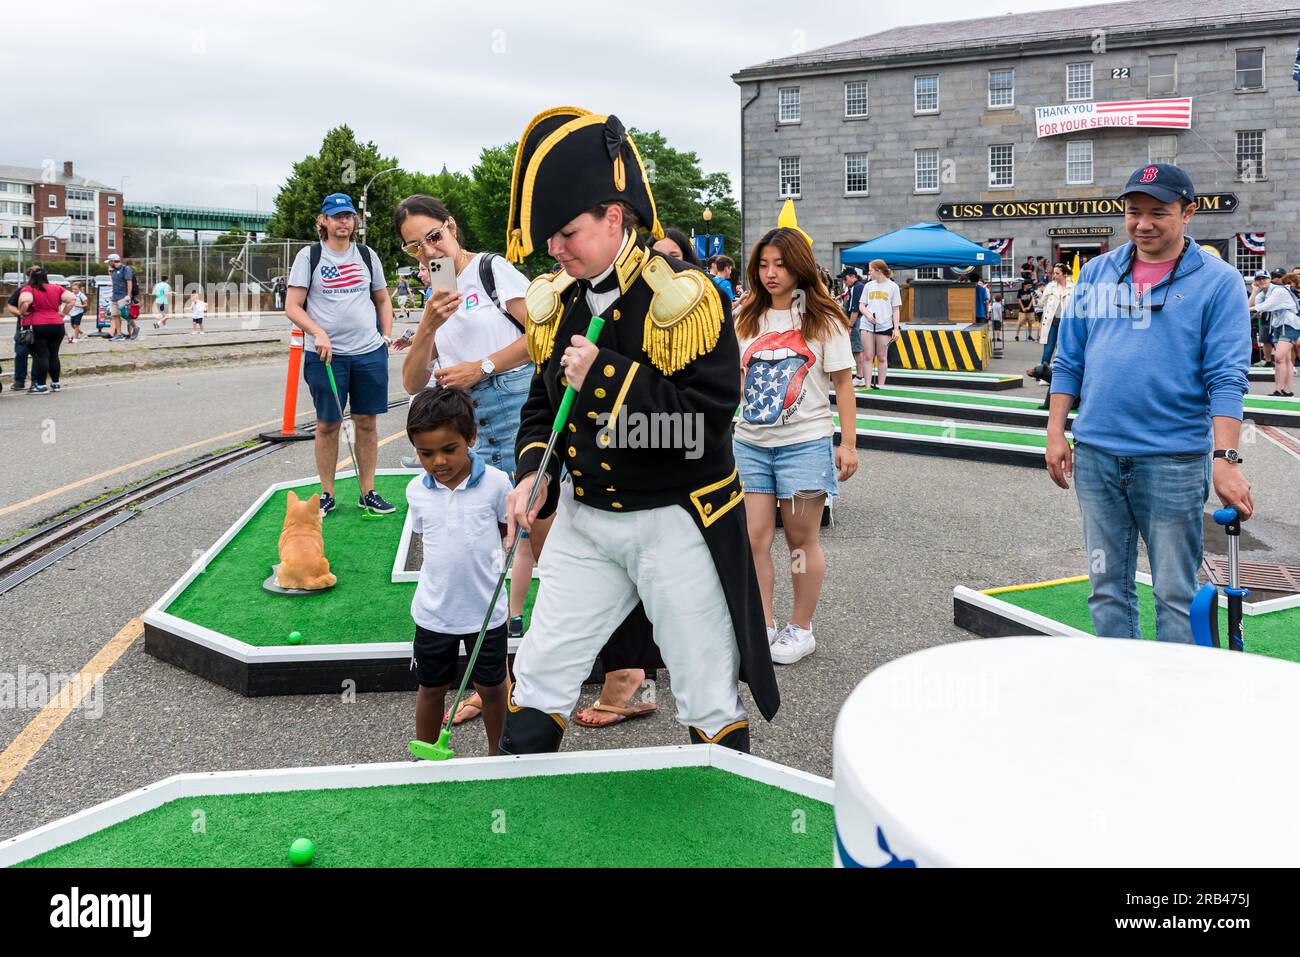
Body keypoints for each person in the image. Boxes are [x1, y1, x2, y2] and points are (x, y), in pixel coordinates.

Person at [497, 106, 778, 754]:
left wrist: (608, 377)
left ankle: (719, 837)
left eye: (568, 232)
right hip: (587, 520)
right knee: (539, 675)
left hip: (673, 520)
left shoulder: (682, 298)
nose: (555, 249)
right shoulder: (558, 301)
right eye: (552, 237)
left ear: (614, 217)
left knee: (706, 689)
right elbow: (542, 412)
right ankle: (510, 824)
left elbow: (702, 432)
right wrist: (534, 474)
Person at [1046, 162, 1253, 645]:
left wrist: (1224, 459)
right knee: (1105, 587)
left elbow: (1226, 377)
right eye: (1134, 212)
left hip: (1172, 460)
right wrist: (1056, 431)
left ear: (1188, 213)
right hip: (1096, 456)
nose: (1143, 223)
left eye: (1158, 212)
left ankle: (1174, 701)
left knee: (1175, 592)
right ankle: (1123, 693)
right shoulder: (1098, 272)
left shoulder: (1217, 282)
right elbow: (1069, 359)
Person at [394, 193, 538, 724]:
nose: (428, 249)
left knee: (539, 531)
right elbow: (411, 383)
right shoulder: (431, 293)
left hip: (514, 405)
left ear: (451, 226)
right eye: (415, 246)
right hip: (466, 429)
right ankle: (496, 679)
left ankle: (601, 668)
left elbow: (539, 338)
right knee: (495, 543)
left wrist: (480, 364)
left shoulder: (491, 269)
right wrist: (428, 325)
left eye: (434, 235)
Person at [735, 217, 859, 665]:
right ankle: (763, 622)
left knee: (800, 540)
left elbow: (844, 383)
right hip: (750, 442)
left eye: (781, 265)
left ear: (799, 268)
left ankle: (800, 627)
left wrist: (848, 442)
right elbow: (736, 377)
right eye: (765, 264)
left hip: (804, 441)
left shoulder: (822, 318)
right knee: (753, 538)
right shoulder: (745, 316)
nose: (771, 273)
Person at [405, 386, 511, 756]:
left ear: (471, 438)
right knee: (431, 687)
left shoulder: (497, 483)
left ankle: (498, 755)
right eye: (425, 453)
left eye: (449, 449)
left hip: (486, 614)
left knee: (493, 688)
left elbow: (502, 530)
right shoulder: (416, 490)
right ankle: (427, 754)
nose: (438, 462)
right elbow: (426, 536)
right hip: (435, 614)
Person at [285, 192, 397, 517]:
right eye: (336, 217)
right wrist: (317, 332)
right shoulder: (310, 256)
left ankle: (368, 492)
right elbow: (293, 306)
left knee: (367, 422)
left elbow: (382, 299)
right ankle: (327, 493)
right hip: (325, 356)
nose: (343, 222)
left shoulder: (366, 254)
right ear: (324, 221)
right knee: (328, 424)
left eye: (348, 216)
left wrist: (385, 337)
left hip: (368, 352)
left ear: (354, 220)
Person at [15, 267, 76, 394]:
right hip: (57, 325)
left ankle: (41, 386)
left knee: (41, 355)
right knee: (54, 355)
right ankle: (56, 383)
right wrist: (63, 314)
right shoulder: (56, 288)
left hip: (38, 325)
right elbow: (71, 299)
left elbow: (25, 300)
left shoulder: (29, 289)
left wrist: (22, 312)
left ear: (31, 277)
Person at [1250, 268, 1299, 396]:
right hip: (1277, 326)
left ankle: (1278, 390)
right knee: (1286, 359)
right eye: (1258, 279)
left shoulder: (1279, 291)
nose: (1261, 281)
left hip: (1290, 325)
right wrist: (1254, 291)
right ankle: (1286, 390)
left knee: (1279, 358)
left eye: (1264, 278)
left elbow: (1264, 307)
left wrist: (1246, 309)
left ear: (1269, 279)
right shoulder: (1262, 293)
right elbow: (1253, 304)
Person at [860, 259, 902, 389]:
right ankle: (867, 385)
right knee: (868, 356)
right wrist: (867, 315)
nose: (869, 272)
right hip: (867, 325)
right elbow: (861, 305)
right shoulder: (868, 285)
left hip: (885, 325)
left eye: (871, 269)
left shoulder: (892, 286)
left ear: (878, 270)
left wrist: (896, 329)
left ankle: (881, 385)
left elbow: (896, 309)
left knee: (882, 357)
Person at [840, 267, 866, 386]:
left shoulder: (857, 288)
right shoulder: (857, 287)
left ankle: (860, 376)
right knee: (857, 349)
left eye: (845, 279)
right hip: (858, 320)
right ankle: (860, 375)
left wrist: (850, 326)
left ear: (852, 276)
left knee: (857, 349)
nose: (844, 282)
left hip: (857, 321)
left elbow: (855, 309)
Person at [106, 254, 135, 341]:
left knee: (125, 315)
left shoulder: (125, 269)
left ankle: (135, 328)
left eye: (109, 262)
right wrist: (110, 272)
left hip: (123, 296)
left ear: (113, 261)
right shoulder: (113, 270)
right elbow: (113, 282)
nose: (108, 264)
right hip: (115, 296)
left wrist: (128, 295)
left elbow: (129, 282)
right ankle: (119, 334)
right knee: (115, 315)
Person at [1015, 274, 1037, 341]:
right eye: (1028, 285)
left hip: (1030, 309)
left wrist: (1029, 307)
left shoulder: (1031, 291)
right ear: (1025, 285)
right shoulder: (1020, 291)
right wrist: (1023, 308)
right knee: (1020, 323)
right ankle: (1017, 335)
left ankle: (1030, 335)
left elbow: (1033, 298)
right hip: (1022, 310)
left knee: (1030, 323)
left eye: (1030, 285)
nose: (1030, 286)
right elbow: (1019, 300)